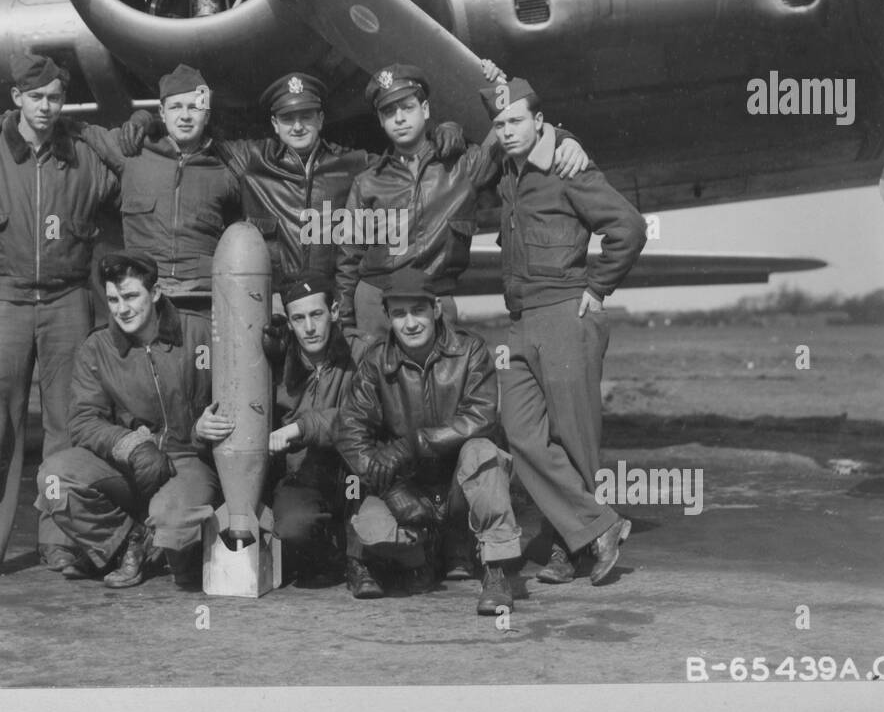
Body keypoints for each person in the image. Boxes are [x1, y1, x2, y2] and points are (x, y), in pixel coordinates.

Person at [0, 53, 119, 589]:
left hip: (67, 302)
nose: (46, 107)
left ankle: (60, 541)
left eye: (56, 98)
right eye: (36, 97)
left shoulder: (84, 156)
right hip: (0, 300)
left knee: (67, 426)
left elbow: (134, 157)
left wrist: (93, 130)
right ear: (16, 97)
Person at [479, 73, 647, 586]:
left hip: (564, 314)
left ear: (538, 122)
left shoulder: (566, 165)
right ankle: (598, 527)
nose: (506, 131)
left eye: (515, 121)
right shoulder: (505, 172)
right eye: (498, 123)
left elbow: (629, 227)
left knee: (575, 442)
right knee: (521, 432)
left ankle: (570, 546)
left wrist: (598, 288)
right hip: (520, 320)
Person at [122, 71, 466, 287]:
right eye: (288, 118)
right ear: (274, 124)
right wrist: (147, 120)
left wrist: (442, 132)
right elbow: (192, 132)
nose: (297, 126)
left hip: (330, 301)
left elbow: (406, 162)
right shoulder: (250, 160)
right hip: (274, 301)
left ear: (320, 119)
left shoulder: (355, 164)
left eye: (305, 116)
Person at [335, 64, 588, 339]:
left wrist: (501, 86)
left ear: (426, 109)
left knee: (445, 380)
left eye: (407, 107)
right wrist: (347, 323)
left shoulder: (464, 167)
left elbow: (514, 131)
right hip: (375, 304)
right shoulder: (367, 182)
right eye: (388, 112)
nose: (399, 118)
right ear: (380, 121)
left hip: (435, 299)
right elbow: (349, 254)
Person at [0, 63, 240, 315]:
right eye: (176, 107)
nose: (184, 116)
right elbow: (77, 128)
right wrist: (10, 120)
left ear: (206, 114)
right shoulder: (132, 150)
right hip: (146, 300)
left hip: (203, 302)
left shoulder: (226, 169)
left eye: (194, 108)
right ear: (162, 112)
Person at [35, 252, 232, 589]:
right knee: (54, 479)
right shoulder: (98, 348)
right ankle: (130, 542)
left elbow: (234, 391)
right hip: (131, 464)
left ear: (155, 293)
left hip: (188, 461)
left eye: (130, 297)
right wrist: (131, 444)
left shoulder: (198, 333)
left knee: (171, 520)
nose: (121, 309)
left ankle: (166, 540)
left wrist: (202, 429)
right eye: (113, 299)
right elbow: (83, 420)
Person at [334, 267, 523, 615]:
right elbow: (350, 431)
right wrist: (391, 488)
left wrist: (412, 444)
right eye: (399, 314)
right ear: (388, 317)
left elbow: (480, 417)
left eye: (418, 311)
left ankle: (495, 572)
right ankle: (428, 553)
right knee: (373, 530)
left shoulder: (471, 350)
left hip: (459, 487)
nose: (410, 324)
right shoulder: (376, 361)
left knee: (482, 452)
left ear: (435, 309)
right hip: (409, 488)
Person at [266, 270, 366, 587]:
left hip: (356, 473)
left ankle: (359, 558)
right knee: (295, 524)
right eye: (298, 319)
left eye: (316, 315)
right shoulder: (277, 362)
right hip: (304, 476)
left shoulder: (363, 352)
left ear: (334, 312)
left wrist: (299, 428)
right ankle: (326, 552)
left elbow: (361, 418)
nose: (309, 328)